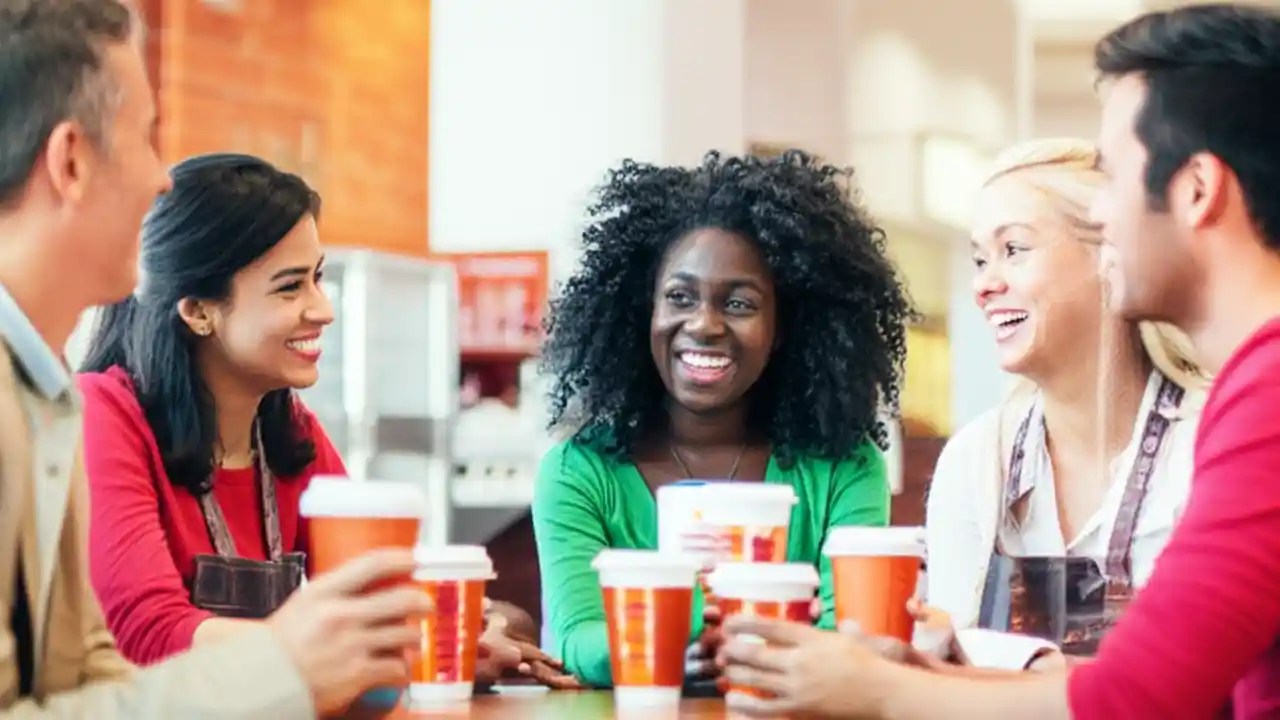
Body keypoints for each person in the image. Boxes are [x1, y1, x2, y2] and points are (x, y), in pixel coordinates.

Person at [717, 4, 1280, 719]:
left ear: (1197, 189)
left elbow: (1140, 696)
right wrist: (925, 675)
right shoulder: (1256, 387)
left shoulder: (1266, 400)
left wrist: (880, 690)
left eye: (1114, 175)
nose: (1104, 216)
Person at [0, 1, 429, 717]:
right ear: (71, 160)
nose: (160, 182)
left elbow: (90, 676)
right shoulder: (83, 409)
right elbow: (142, 642)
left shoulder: (43, 399)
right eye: (143, 138)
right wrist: (290, 663)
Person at [77, 153, 574, 687]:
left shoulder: (290, 431)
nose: (323, 308)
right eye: (290, 287)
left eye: (317, 279)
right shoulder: (103, 415)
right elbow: (150, 638)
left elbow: (377, 602)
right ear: (198, 310)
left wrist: (455, 643)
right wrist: (413, 649)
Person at [534, 150, 911, 687]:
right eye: (680, 297)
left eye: (738, 304)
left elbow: (850, 633)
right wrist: (682, 645)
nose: (704, 325)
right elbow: (577, 638)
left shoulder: (842, 467)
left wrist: (663, 635)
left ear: (782, 329)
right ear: (647, 314)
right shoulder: (579, 472)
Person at [923, 138, 1208, 671]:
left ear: (1109, 256)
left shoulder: (1209, 446)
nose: (983, 285)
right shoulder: (975, 461)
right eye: (981, 259)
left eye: (1014, 250)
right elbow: (945, 675)